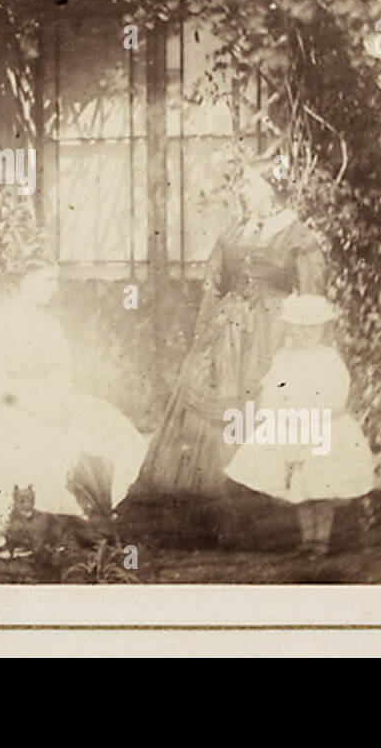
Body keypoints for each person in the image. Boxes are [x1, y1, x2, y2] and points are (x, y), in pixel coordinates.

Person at [136, 162, 327, 539]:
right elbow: (214, 285)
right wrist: (204, 335)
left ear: (272, 190)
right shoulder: (234, 233)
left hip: (273, 336)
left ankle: (267, 514)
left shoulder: (297, 236)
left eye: (251, 185)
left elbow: (311, 296)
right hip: (225, 336)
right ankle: (208, 511)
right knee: (213, 412)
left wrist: (300, 342)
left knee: (263, 405)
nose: (244, 192)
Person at [0, 260, 148, 555]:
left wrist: (57, 400)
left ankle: (100, 516)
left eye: (55, 281)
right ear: (25, 281)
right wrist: (27, 403)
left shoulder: (50, 324)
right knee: (26, 444)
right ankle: (31, 527)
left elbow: (61, 370)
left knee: (111, 427)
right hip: (3, 403)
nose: (54, 289)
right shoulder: (2, 320)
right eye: (47, 281)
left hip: (46, 399)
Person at [224, 294, 376, 556]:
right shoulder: (285, 358)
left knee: (322, 485)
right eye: (301, 327)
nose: (307, 333)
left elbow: (338, 391)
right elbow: (272, 391)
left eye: (313, 327)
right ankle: (306, 541)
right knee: (300, 487)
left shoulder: (328, 358)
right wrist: (276, 418)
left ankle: (321, 541)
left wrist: (318, 414)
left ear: (323, 328)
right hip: (293, 427)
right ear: (291, 328)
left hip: (324, 427)